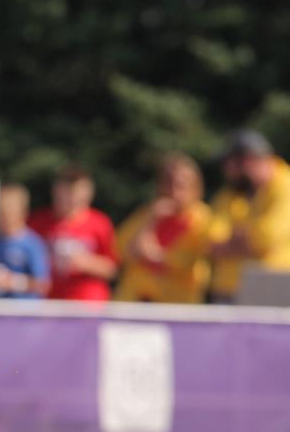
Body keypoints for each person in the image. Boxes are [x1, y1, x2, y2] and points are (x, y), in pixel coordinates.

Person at [115, 153, 212, 304]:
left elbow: (181, 263)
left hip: (177, 308)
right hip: (135, 303)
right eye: (168, 183)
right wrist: (151, 221)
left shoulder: (202, 219)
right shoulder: (148, 213)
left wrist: (153, 255)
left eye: (181, 185)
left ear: (196, 188)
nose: (173, 191)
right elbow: (124, 252)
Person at [207, 130, 290, 304]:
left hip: (274, 293)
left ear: (247, 161)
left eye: (228, 165)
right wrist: (249, 240)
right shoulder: (233, 193)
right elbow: (211, 240)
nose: (226, 172)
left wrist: (234, 240)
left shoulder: (285, 186)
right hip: (228, 291)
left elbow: (267, 237)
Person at [27, 164, 117, 303]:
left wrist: (85, 262)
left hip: (87, 301)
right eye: (65, 192)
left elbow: (112, 269)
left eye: (75, 193)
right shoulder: (38, 222)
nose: (70, 198)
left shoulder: (99, 223)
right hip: (48, 301)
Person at [0, 183, 49, 299]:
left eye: (7, 213)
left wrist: (13, 282)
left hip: (24, 314)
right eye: (0, 213)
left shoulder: (33, 245)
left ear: (21, 212)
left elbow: (43, 284)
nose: (3, 218)